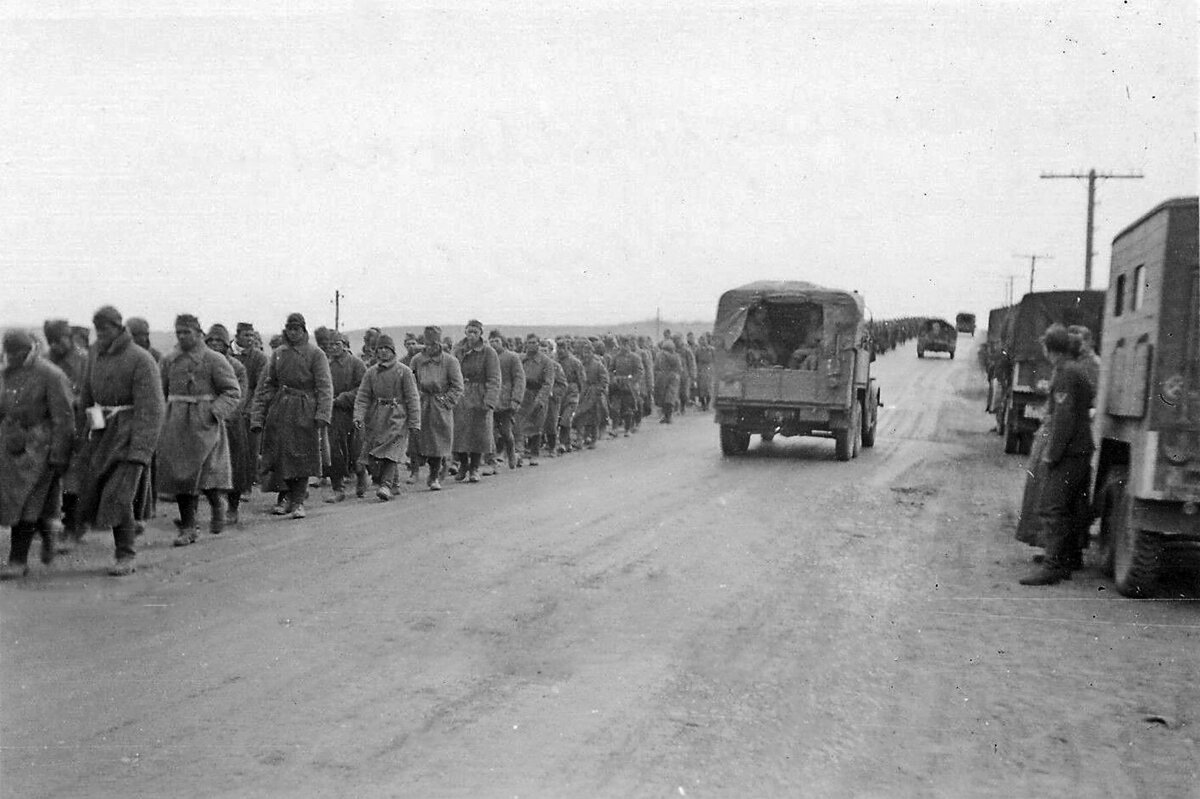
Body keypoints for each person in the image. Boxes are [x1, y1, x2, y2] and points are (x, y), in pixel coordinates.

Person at [76, 306, 165, 576]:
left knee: (118, 495)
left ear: (118, 328)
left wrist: (141, 450)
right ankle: (124, 542)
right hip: (103, 436)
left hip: (130, 436)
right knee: (103, 493)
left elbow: (152, 408)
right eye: (97, 329)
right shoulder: (96, 354)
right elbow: (88, 397)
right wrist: (87, 430)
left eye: (105, 329)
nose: (101, 334)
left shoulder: (141, 359)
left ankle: (125, 554)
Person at [1020, 325, 1096, 586]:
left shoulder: (1065, 374)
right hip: (1082, 448)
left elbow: (1064, 419)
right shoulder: (1077, 370)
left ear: (1050, 349)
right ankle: (1068, 560)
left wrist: (1052, 455)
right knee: (1073, 506)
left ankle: (1053, 566)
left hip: (1069, 450)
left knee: (1053, 506)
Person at [157, 315, 241, 546]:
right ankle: (188, 527)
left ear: (198, 333)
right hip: (177, 424)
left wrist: (213, 412)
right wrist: (165, 416)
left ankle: (217, 505)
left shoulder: (214, 360)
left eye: (187, 332)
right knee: (181, 475)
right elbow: (159, 392)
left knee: (207, 475)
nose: (183, 337)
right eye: (179, 333)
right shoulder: (169, 360)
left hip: (205, 425)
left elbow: (232, 392)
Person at [0, 330, 74, 578]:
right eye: (8, 353)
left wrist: (59, 454)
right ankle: (49, 532)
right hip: (11, 446)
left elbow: (64, 418)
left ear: (29, 350)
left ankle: (18, 561)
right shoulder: (5, 373)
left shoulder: (50, 374)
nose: (12, 358)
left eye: (17, 353)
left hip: (40, 447)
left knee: (28, 503)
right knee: (15, 501)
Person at [249, 313, 333, 519]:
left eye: (297, 329)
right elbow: (267, 384)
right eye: (290, 329)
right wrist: (259, 415)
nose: (293, 333)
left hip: (305, 409)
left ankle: (298, 501)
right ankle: (284, 497)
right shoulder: (278, 354)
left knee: (301, 455)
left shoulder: (316, 354)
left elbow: (325, 386)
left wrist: (323, 414)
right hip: (281, 409)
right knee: (279, 454)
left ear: (304, 331)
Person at [353, 334, 421, 501]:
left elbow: (412, 397)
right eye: (380, 349)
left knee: (391, 451)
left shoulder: (403, 371)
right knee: (375, 454)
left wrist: (414, 421)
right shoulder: (371, 373)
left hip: (397, 417)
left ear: (393, 351)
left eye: (386, 349)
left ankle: (386, 485)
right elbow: (363, 396)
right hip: (376, 417)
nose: (383, 352)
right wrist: (359, 416)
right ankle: (394, 483)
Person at [43, 319, 89, 553]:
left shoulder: (84, 359)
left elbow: (94, 392)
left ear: (68, 337)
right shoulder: (47, 359)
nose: (57, 345)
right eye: (52, 341)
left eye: (60, 340)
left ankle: (73, 527)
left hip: (81, 423)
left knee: (74, 480)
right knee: (52, 477)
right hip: (54, 425)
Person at [205, 324, 254, 526]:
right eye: (211, 341)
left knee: (235, 467)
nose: (215, 345)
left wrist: (224, 414)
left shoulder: (236, 367)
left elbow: (239, 395)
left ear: (226, 344)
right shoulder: (201, 364)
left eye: (219, 341)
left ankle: (233, 508)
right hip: (206, 423)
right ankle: (215, 505)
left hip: (231, 423)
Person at [411, 326, 463, 491]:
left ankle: (434, 474)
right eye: (427, 344)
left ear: (440, 343)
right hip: (421, 404)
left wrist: (446, 401)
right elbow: (410, 381)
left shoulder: (450, 361)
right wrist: (414, 398)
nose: (430, 347)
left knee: (437, 441)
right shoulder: (417, 360)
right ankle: (422, 469)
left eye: (434, 344)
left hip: (439, 405)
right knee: (418, 441)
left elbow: (457, 386)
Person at [451, 320, 500, 483]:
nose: (471, 335)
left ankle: (474, 468)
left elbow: (494, 378)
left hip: (480, 395)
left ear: (480, 334)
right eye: (469, 331)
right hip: (460, 394)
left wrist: (490, 400)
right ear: (465, 332)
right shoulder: (457, 350)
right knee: (460, 433)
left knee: (479, 434)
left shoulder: (488, 352)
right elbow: (450, 372)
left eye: (475, 332)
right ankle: (463, 465)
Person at [323, 332, 367, 501]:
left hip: (353, 413)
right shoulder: (326, 364)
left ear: (345, 345)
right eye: (331, 345)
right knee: (335, 450)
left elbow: (362, 389)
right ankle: (338, 488)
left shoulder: (356, 364)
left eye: (337, 344)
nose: (333, 348)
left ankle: (361, 476)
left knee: (356, 449)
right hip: (333, 414)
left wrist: (342, 398)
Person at [488, 329, 525, 473]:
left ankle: (511, 453)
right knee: (489, 432)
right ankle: (493, 460)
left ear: (503, 342)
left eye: (496, 341)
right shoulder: (488, 357)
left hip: (506, 401)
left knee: (505, 431)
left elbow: (519, 379)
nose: (494, 344)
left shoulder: (512, 357)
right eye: (491, 341)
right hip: (490, 399)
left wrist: (516, 399)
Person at [516, 333, 555, 464]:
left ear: (539, 344)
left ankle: (534, 453)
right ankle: (519, 454)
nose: (531, 345)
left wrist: (541, 399)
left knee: (536, 425)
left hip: (537, 394)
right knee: (519, 425)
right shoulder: (521, 359)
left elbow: (548, 382)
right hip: (523, 394)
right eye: (529, 342)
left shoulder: (546, 361)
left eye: (534, 342)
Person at [573, 339, 609, 448]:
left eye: (588, 352)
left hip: (594, 395)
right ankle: (579, 439)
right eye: (584, 352)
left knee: (594, 418)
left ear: (592, 353)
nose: (586, 355)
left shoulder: (598, 365)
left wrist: (598, 390)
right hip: (583, 393)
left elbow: (604, 379)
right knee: (580, 416)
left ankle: (593, 439)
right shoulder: (579, 364)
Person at [609, 336, 645, 436]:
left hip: (629, 386)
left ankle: (627, 429)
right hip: (618, 385)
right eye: (622, 344)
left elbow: (640, 372)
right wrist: (613, 379)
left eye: (626, 344)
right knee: (615, 408)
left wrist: (632, 381)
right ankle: (615, 428)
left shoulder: (635, 357)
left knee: (628, 408)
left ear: (629, 345)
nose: (624, 347)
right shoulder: (616, 357)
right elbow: (610, 370)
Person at [555, 337, 585, 453]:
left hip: (572, 393)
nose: (560, 350)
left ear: (568, 349)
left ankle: (563, 443)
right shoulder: (555, 361)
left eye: (563, 348)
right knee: (558, 419)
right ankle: (567, 443)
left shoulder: (575, 362)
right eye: (559, 348)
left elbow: (582, 380)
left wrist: (580, 395)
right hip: (559, 393)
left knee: (566, 418)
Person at [541, 338, 567, 457]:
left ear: (551, 352)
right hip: (537, 398)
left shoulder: (556, 366)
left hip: (551, 400)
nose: (543, 353)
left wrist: (553, 392)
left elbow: (562, 385)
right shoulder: (534, 365)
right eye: (540, 350)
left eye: (545, 350)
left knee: (551, 424)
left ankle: (552, 447)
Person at [654, 340, 683, 423]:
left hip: (666, 377)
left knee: (667, 398)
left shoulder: (660, 355)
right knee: (668, 398)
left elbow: (656, 367)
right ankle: (667, 416)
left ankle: (667, 416)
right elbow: (679, 368)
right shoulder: (675, 356)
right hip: (669, 377)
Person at [693, 333, 715, 410]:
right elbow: (695, 360)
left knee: (709, 388)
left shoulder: (711, 350)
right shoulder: (697, 350)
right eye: (701, 340)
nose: (703, 342)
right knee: (701, 389)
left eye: (704, 340)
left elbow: (715, 360)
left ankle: (708, 404)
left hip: (709, 370)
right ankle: (703, 404)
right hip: (701, 370)